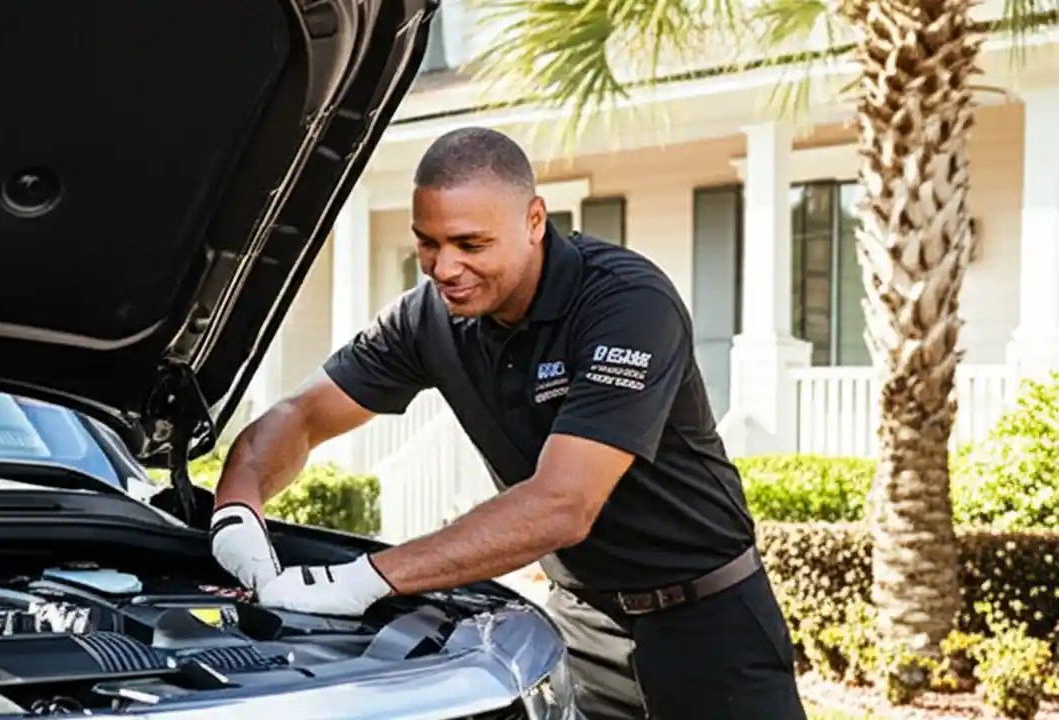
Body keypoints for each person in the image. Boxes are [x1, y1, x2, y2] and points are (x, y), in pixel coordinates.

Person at [208, 126, 807, 720]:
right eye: (428, 243)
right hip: (580, 626)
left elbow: (562, 504)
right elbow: (299, 415)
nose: (444, 268)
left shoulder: (626, 302)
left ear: (535, 221)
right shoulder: (425, 320)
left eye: (471, 244)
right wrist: (238, 510)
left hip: (709, 626)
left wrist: (363, 579)